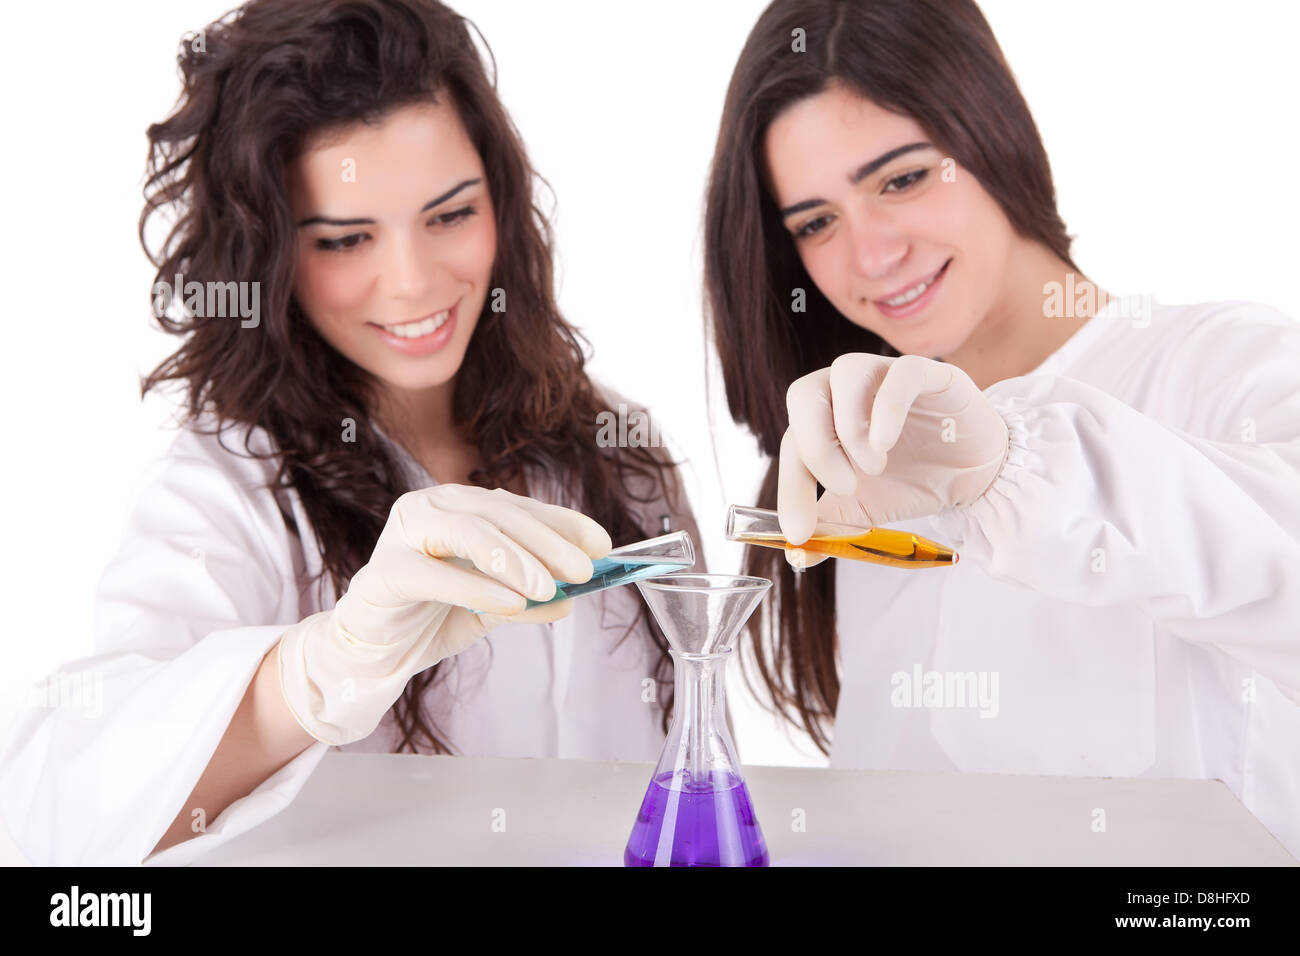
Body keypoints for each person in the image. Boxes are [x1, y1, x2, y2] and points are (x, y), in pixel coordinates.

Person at [0, 0, 698, 866]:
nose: (411, 284)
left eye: (449, 215)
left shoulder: (616, 454)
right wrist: (316, 674)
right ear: (268, 256)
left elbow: (697, 766)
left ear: (503, 200)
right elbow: (60, 807)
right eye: (344, 240)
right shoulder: (228, 496)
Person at [704, 0, 1300, 858]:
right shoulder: (861, 459)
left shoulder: (1216, 369)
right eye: (816, 222)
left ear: (988, 129)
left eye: (902, 178)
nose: (870, 256)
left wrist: (1012, 465)